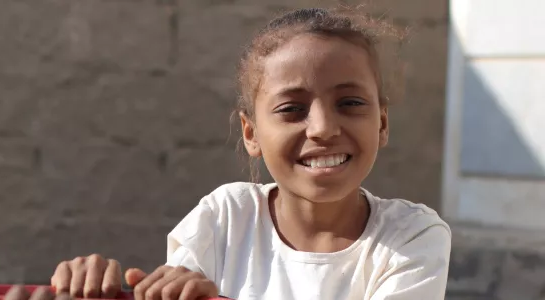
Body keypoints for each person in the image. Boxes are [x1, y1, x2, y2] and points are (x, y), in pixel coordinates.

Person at [49, 6, 451, 300]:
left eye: (350, 103)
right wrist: (98, 290)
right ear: (251, 133)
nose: (324, 128)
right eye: (292, 109)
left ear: (382, 123)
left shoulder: (412, 236)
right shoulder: (225, 217)